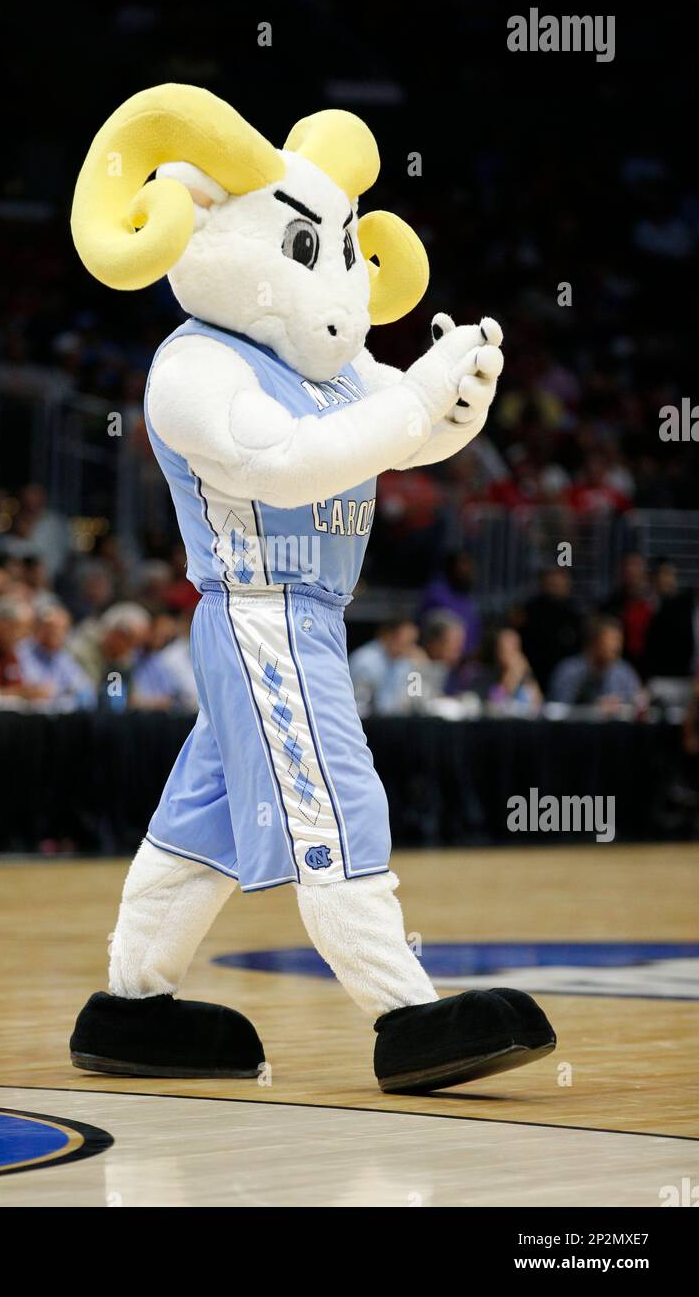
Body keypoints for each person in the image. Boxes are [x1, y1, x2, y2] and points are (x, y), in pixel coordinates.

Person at [69, 85, 554, 1095]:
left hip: (308, 619)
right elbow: (286, 464)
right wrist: (412, 400)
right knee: (334, 792)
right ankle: (401, 1012)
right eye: (309, 252)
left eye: (339, 250)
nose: (338, 279)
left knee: (202, 815)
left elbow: (406, 431)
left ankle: (130, 1005)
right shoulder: (193, 366)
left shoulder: (332, 367)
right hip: (260, 609)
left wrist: (452, 392)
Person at [548, 615, 643, 711]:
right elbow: (558, 710)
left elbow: (637, 703)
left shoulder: (624, 673)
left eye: (619, 641)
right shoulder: (569, 671)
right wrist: (593, 707)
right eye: (611, 640)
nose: (616, 647)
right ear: (594, 642)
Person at [68, 601, 151, 706]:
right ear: (117, 635)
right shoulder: (81, 649)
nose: (133, 650)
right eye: (132, 643)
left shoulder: (124, 660)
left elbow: (131, 699)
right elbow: (87, 693)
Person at [517, 567, 584, 693]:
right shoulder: (530, 611)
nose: (556, 585)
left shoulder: (575, 614)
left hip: (567, 680)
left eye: (560, 581)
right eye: (552, 581)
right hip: (534, 674)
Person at [17, 604, 95, 709]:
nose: (58, 634)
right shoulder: (22, 652)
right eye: (51, 628)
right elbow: (33, 690)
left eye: (63, 629)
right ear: (38, 629)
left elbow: (85, 690)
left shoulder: (62, 657)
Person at [349, 617, 423, 716]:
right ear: (388, 636)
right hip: (368, 724)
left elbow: (413, 701)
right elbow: (359, 707)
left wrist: (421, 669)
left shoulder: (404, 663)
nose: (411, 648)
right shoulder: (365, 661)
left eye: (413, 642)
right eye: (407, 642)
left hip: (392, 723)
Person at [485, 627, 542, 711]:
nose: (513, 653)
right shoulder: (487, 676)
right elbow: (495, 703)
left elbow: (538, 704)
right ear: (498, 651)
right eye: (507, 648)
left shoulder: (524, 675)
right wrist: (513, 674)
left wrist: (527, 672)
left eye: (515, 648)